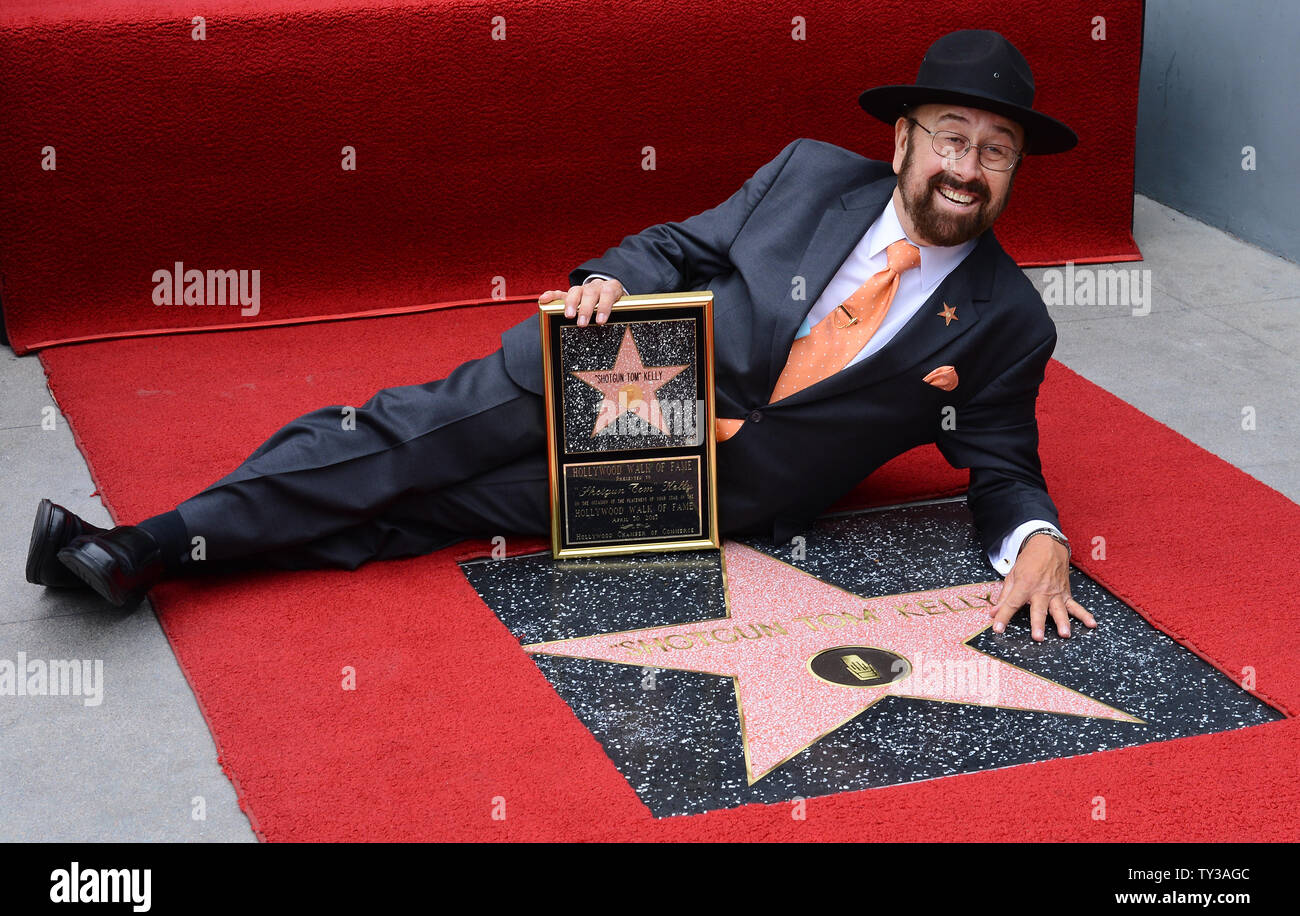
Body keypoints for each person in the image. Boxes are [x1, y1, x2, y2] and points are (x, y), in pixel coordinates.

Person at [25, 29, 1095, 642]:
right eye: (950, 137)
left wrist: (1036, 538)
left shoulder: (1008, 318)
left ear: (1011, 172)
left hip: (701, 489)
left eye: (995, 151)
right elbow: (673, 246)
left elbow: (998, 459)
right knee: (405, 439)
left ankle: (186, 560)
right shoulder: (812, 172)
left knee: (430, 511)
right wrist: (603, 283)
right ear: (903, 138)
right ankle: (146, 542)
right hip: (630, 369)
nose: (967, 167)